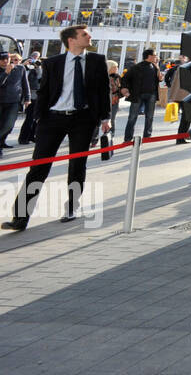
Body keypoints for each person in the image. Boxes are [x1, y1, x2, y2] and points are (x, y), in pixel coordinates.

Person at [2, 25, 111, 231]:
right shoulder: (53, 63)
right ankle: (20, 218)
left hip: (83, 119)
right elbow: (44, 92)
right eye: (85, 34)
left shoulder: (97, 61)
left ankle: (71, 208)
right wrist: (39, 117)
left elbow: (103, 90)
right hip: (53, 119)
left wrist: (106, 117)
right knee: (39, 166)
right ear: (71, 40)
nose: (90, 37)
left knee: (77, 165)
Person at [121, 48, 163, 144]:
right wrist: (125, 89)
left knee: (150, 116)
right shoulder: (136, 67)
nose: (156, 57)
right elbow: (125, 79)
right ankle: (127, 139)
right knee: (132, 117)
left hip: (151, 95)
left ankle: (147, 137)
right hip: (137, 95)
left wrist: (160, 77)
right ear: (149, 56)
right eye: (155, 55)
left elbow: (158, 79)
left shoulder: (155, 66)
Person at [0, 52, 32, 157]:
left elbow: (25, 84)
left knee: (8, 125)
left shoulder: (20, 68)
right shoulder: (4, 70)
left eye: (6, 59)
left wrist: (27, 98)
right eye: (2, 59)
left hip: (14, 101)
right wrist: (6, 73)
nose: (5, 61)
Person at [17, 54, 42, 145]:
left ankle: (31, 136)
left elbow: (40, 77)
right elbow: (24, 79)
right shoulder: (25, 68)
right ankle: (23, 138)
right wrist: (26, 65)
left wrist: (37, 67)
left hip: (37, 96)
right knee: (29, 118)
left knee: (35, 118)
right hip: (30, 96)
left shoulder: (37, 68)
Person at [104, 59, 123, 162]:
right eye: (115, 67)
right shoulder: (102, 77)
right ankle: (95, 138)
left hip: (114, 102)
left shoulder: (117, 77)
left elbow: (121, 89)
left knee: (112, 119)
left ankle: (111, 136)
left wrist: (120, 93)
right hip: (104, 101)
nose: (117, 69)